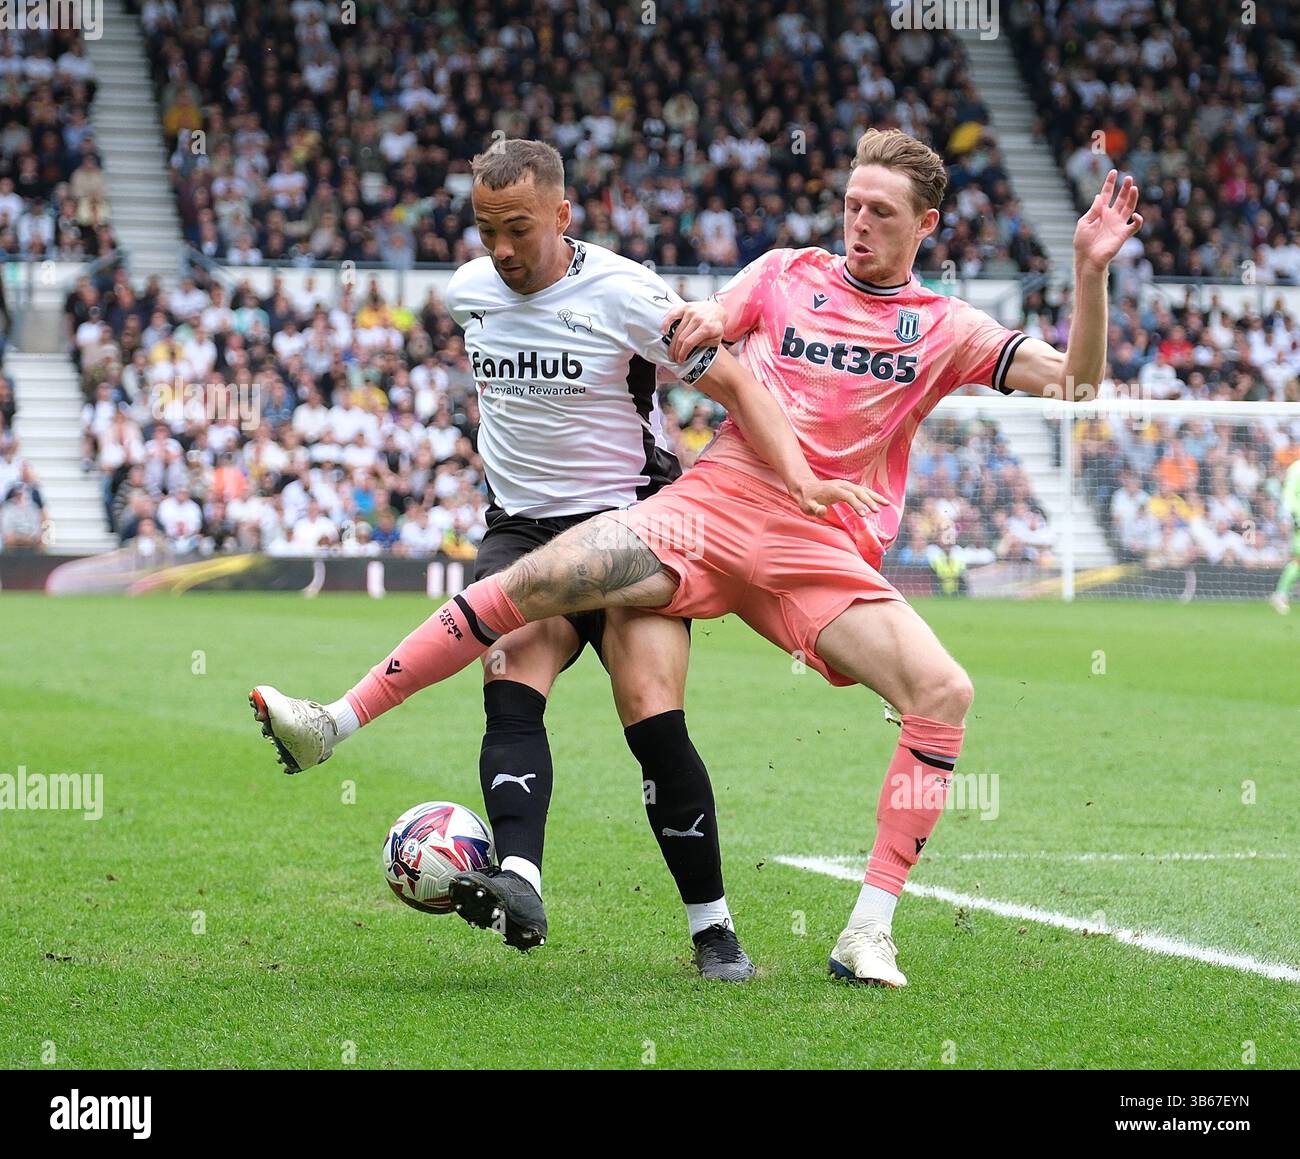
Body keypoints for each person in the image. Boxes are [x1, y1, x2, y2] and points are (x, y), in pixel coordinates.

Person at [251, 129, 1141, 987]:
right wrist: (698, 317)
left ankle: (868, 928)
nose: (858, 223)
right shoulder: (787, 273)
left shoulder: (945, 328)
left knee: (943, 692)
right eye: (850, 205)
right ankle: (334, 723)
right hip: (707, 511)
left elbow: (1077, 385)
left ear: (927, 226)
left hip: (817, 549)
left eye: (879, 212)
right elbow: (712, 323)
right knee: (528, 582)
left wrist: (1089, 272)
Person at [251, 139, 877, 980]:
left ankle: (713, 930)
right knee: (509, 694)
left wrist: (800, 479)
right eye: (484, 231)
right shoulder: (468, 292)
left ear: (562, 214)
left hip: (634, 530)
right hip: (523, 531)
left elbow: (734, 386)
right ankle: (519, 878)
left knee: (652, 718)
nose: (501, 250)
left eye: (518, 229)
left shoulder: (625, 293)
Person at [1270, 457, 1300, 613]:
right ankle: (1280, 594)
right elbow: (1288, 495)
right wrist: (1290, 516)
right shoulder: (1296, 468)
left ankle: (1280, 594)